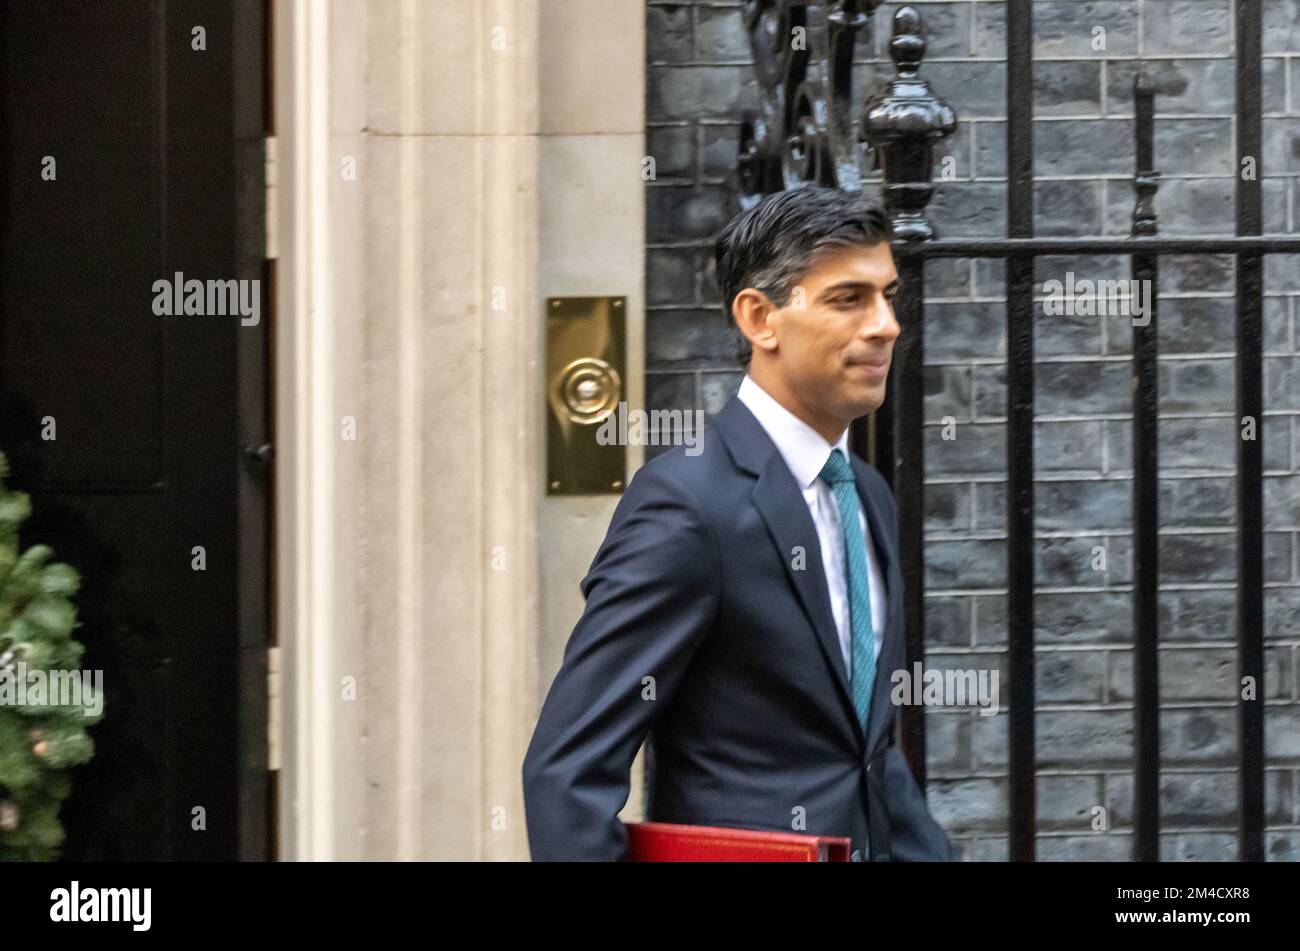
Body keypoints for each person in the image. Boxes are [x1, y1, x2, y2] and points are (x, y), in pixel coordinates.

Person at [522, 186, 953, 862]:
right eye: (849, 299)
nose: (886, 324)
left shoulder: (865, 492)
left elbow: (864, 753)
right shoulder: (688, 505)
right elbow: (567, 772)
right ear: (760, 318)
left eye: (887, 294)